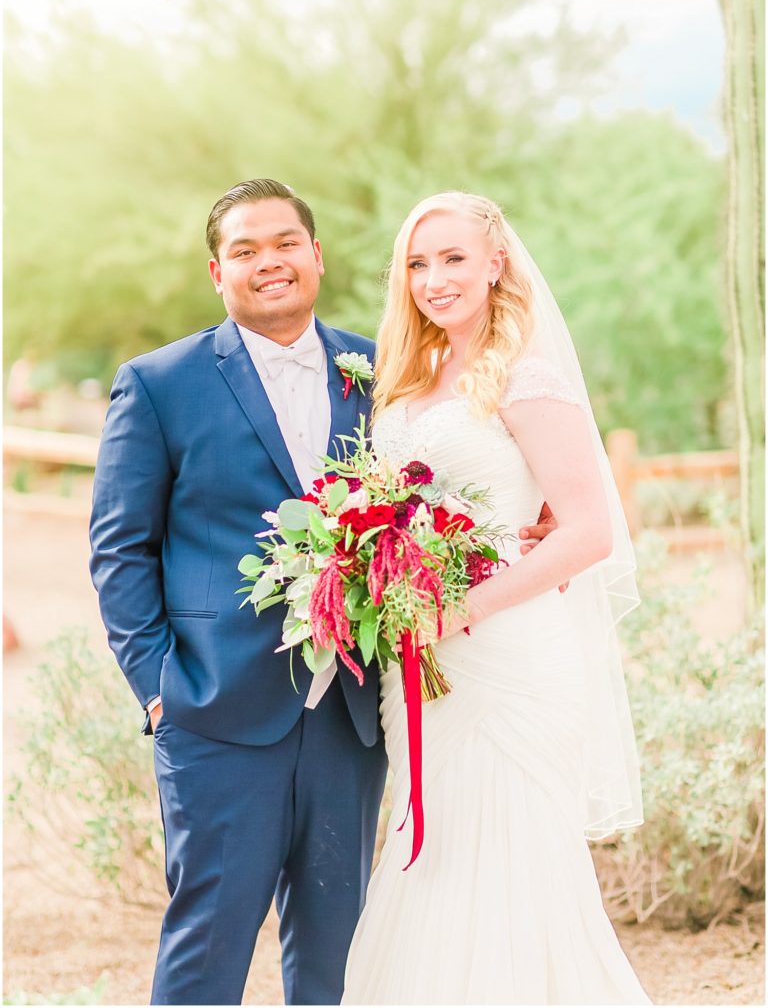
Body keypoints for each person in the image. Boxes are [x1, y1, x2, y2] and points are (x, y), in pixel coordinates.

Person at [342, 191, 650, 1005]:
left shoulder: (527, 374)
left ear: (495, 262)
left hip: (509, 656)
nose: (433, 279)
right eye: (416, 263)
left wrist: (462, 607)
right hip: (426, 660)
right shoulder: (413, 376)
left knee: (513, 858)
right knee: (430, 852)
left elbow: (589, 531)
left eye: (451, 258)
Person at [88, 179, 389, 1006]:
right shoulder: (158, 383)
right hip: (215, 715)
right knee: (207, 953)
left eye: (286, 242)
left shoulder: (376, 369)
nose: (270, 262)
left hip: (350, 715)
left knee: (338, 956)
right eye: (246, 250)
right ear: (217, 273)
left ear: (317, 256)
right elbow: (119, 551)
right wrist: (160, 692)